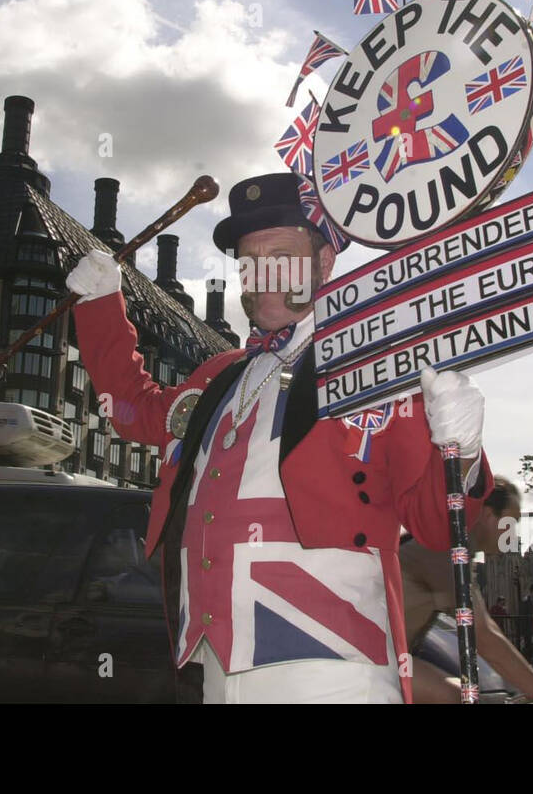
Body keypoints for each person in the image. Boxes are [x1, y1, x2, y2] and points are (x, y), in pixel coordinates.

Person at [65, 172, 494, 704]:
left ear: (324, 264)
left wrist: (461, 452)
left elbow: (436, 521)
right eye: (249, 260)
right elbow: (137, 410)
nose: (263, 273)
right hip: (214, 660)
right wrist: (103, 304)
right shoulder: (221, 375)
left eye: (282, 254)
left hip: (331, 666)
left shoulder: (379, 367)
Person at [400, 478, 533, 703]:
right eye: (511, 523)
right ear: (489, 515)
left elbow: (485, 627)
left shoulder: (448, 546)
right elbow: (484, 636)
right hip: (370, 656)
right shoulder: (444, 552)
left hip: (388, 655)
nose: (512, 534)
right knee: (451, 697)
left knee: (461, 694)